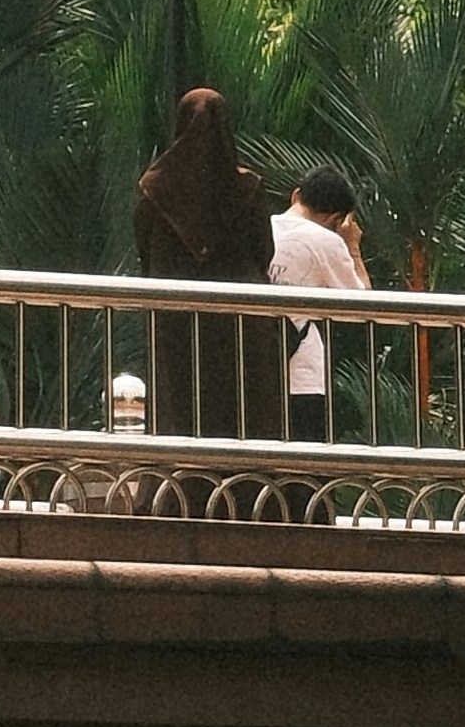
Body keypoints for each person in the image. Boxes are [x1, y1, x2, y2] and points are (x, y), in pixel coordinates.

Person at [133, 83, 280, 454]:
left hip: (175, 313)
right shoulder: (247, 187)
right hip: (241, 315)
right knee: (244, 407)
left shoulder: (154, 189)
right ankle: (246, 491)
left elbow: (143, 248)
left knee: (181, 403)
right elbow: (265, 248)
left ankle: (181, 489)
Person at [269, 166, 367, 445]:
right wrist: (353, 247)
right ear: (337, 218)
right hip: (301, 374)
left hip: (257, 367)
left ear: (296, 195)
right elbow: (363, 305)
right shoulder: (326, 241)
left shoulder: (261, 228)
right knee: (306, 469)